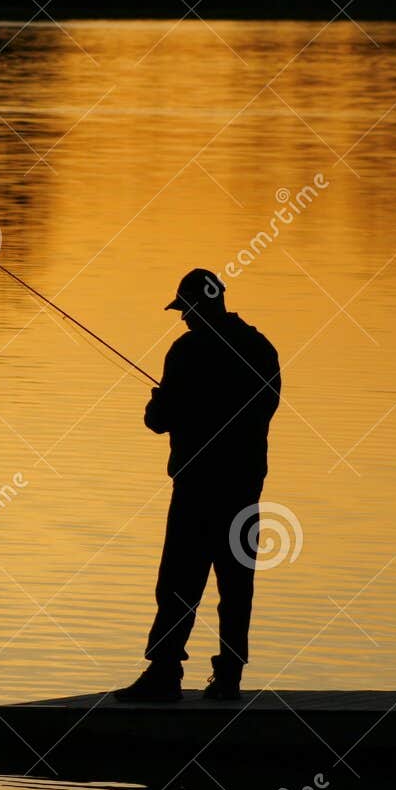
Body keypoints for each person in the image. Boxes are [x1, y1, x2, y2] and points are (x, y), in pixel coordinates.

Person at [114, 268, 281, 703]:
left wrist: (158, 403)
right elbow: (265, 409)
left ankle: (165, 672)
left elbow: (159, 420)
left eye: (185, 310)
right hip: (244, 486)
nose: (183, 318)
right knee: (236, 584)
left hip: (197, 487)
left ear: (196, 307)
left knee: (179, 580)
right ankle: (229, 678)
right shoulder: (260, 349)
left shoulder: (187, 352)